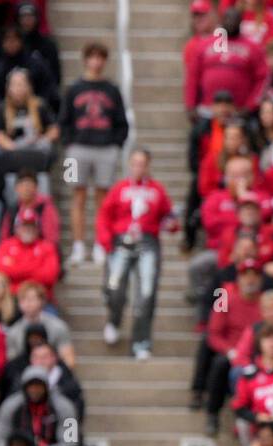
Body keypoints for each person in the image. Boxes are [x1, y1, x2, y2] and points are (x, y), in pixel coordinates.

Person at [97, 148, 172, 361]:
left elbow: (168, 216)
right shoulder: (119, 188)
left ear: (148, 166)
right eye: (135, 163)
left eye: (143, 163)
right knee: (113, 287)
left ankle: (141, 341)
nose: (138, 167)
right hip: (120, 241)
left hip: (148, 243)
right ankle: (114, 319)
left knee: (146, 292)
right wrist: (105, 242)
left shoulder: (157, 190)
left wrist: (171, 224)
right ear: (129, 165)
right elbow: (104, 215)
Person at [60, 42, 128, 266]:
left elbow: (121, 121)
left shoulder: (112, 89)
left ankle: (101, 244)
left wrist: (115, 144)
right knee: (76, 195)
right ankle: (78, 245)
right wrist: (69, 144)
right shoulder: (74, 88)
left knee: (103, 199)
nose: (96, 62)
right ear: (85, 59)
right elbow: (65, 120)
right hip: (77, 149)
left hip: (105, 148)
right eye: (92, 57)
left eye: (100, 58)